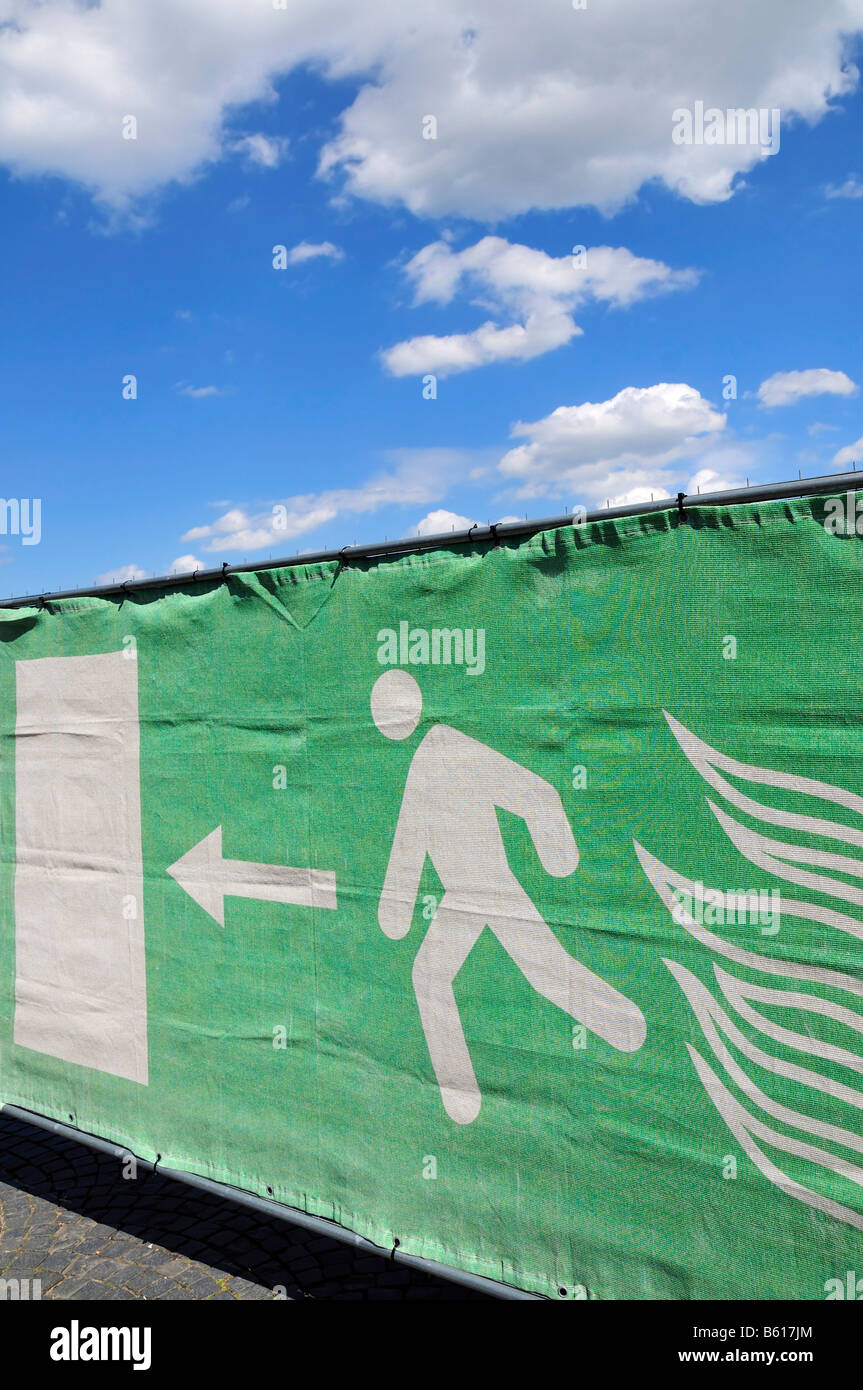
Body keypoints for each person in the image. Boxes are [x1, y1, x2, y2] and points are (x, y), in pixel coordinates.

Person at [372, 669, 646, 1124]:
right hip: (461, 896)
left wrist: (557, 849)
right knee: (429, 975)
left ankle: (622, 1022)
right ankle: (460, 1096)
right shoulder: (425, 762)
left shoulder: (450, 747)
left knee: (543, 972)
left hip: (492, 885)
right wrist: (396, 906)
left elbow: (532, 791)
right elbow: (409, 843)